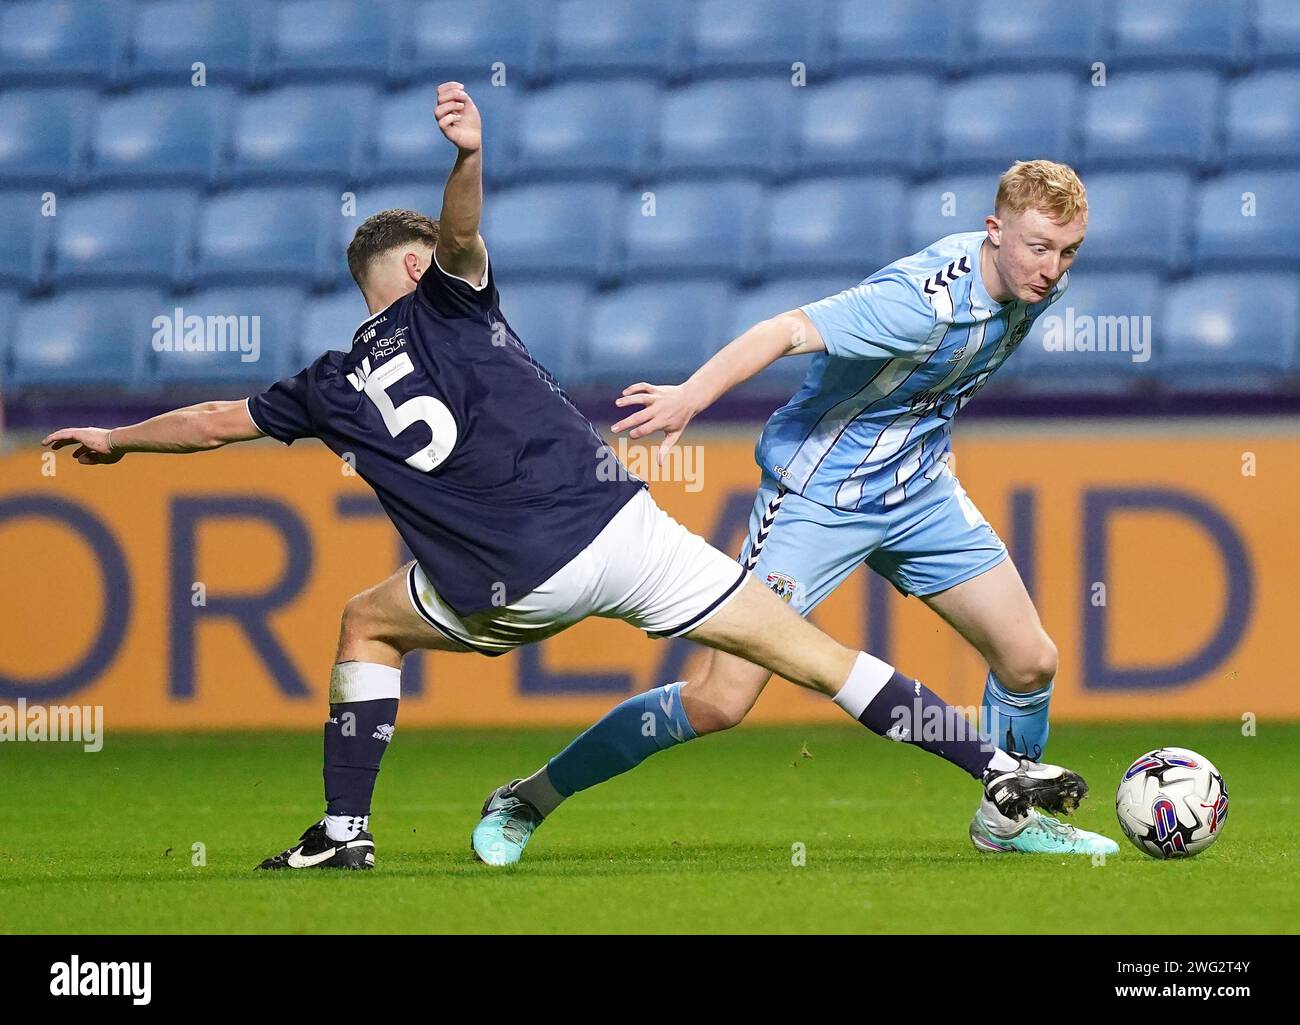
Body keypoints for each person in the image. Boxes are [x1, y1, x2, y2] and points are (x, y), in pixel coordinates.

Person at [43, 86, 1092, 871]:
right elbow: (463, 233)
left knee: (366, 621)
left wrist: (120, 438)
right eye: (1042, 248)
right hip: (630, 528)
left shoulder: (325, 382)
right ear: (418, 272)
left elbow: (218, 420)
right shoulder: (451, 295)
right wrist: (470, 153)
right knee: (815, 663)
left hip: (502, 584)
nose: (1054, 267)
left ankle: (342, 830)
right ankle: (985, 764)